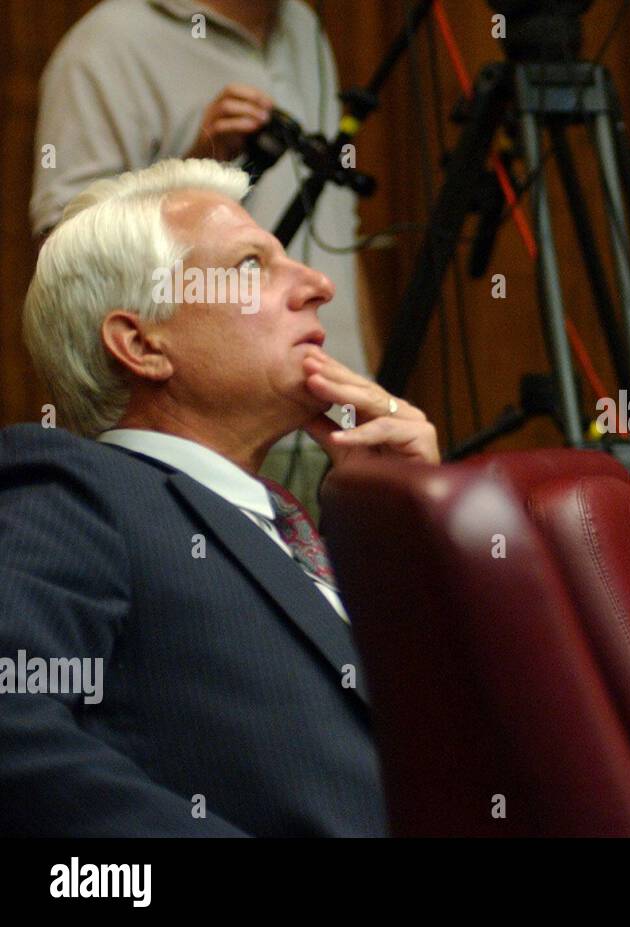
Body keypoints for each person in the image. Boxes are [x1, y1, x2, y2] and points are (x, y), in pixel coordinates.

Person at [1, 158, 438, 836]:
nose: (319, 286)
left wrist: (409, 525)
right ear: (143, 343)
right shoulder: (76, 490)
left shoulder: (325, 533)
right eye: (250, 266)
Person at [29, 0, 376, 518]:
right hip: (201, 435)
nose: (319, 286)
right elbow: (71, 266)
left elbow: (340, 237)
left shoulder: (304, 29)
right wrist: (196, 166)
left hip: (339, 425)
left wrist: (371, 384)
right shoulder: (107, 43)